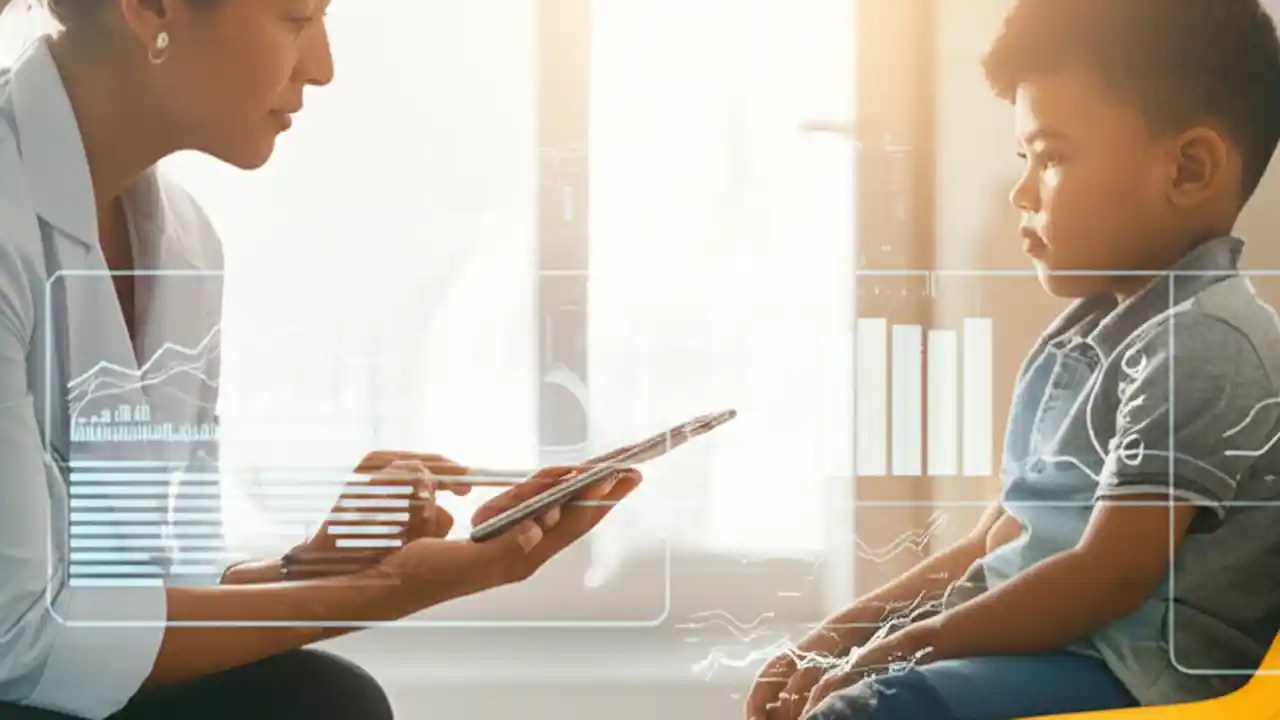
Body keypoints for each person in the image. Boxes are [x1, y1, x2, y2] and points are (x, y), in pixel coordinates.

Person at [0, 1, 642, 718]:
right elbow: (23, 640)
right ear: (152, 8)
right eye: (296, 18)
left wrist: (313, 563)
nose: (324, 67)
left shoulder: (184, 246)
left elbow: (144, 596)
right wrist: (393, 589)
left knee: (321, 702)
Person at [747, 0, 1280, 718]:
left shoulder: (1206, 343)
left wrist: (903, 651)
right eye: (1024, 158)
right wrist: (837, 637)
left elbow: (1108, 576)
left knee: (870, 709)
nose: (1021, 191)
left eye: (1051, 156)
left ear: (1189, 168)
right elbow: (995, 541)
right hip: (1057, 650)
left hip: (1130, 670)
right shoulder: (1082, 337)